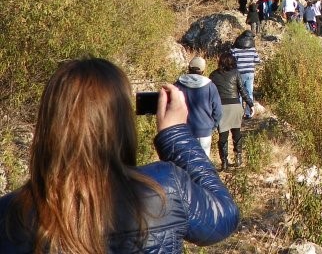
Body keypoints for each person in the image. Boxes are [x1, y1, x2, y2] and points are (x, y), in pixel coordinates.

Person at [0, 58, 239, 252]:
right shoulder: (165, 187)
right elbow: (224, 216)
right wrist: (175, 135)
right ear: (122, 121)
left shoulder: (9, 214)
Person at [210, 52, 253, 171]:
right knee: (236, 132)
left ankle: (224, 162)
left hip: (221, 108)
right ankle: (238, 158)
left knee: (223, 136)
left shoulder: (213, 75)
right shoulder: (236, 73)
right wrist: (250, 104)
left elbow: (210, 94)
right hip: (235, 106)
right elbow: (243, 91)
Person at [175, 56, 222, 158]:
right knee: (203, 162)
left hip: (183, 131)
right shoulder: (210, 86)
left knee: (185, 162)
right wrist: (212, 126)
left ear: (189, 68)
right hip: (204, 130)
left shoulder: (178, 85)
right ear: (203, 71)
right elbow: (218, 111)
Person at [230, 30, 261, 119]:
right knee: (249, 92)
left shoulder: (234, 50)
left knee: (239, 93)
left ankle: (239, 113)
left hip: (239, 73)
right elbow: (257, 60)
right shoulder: (252, 50)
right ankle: (248, 113)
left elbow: (231, 62)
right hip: (250, 73)